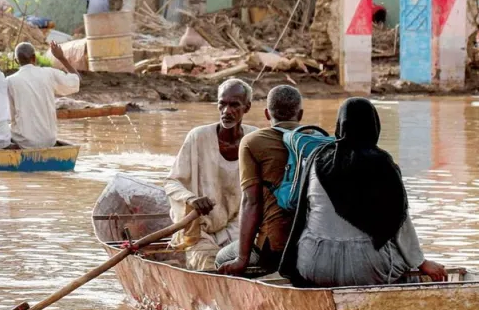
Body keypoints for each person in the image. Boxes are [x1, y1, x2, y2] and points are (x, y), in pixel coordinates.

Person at [278, 98, 447, 287]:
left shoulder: (317, 158)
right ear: (374, 126)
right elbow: (399, 222)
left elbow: (306, 214)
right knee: (410, 273)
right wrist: (421, 263)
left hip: (313, 263)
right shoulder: (383, 163)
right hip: (365, 268)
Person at [163, 79, 257, 271]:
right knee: (209, 268)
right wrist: (191, 199)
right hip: (201, 232)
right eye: (222, 104)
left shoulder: (255, 139)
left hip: (240, 232)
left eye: (234, 105)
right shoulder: (198, 137)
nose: (227, 111)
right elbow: (172, 183)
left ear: (246, 108)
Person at [216, 85, 303, 276]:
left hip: (275, 248)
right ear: (301, 114)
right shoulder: (318, 138)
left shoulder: (253, 141)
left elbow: (251, 202)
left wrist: (241, 258)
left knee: (221, 258)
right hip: (311, 244)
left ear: (266, 113)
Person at [7, 41, 81, 149]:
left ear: (16, 61)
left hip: (24, 142)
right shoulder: (49, 73)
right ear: (34, 57)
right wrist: (61, 58)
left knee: (4, 129)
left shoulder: (10, 81)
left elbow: (9, 115)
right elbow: (76, 81)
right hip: (49, 140)